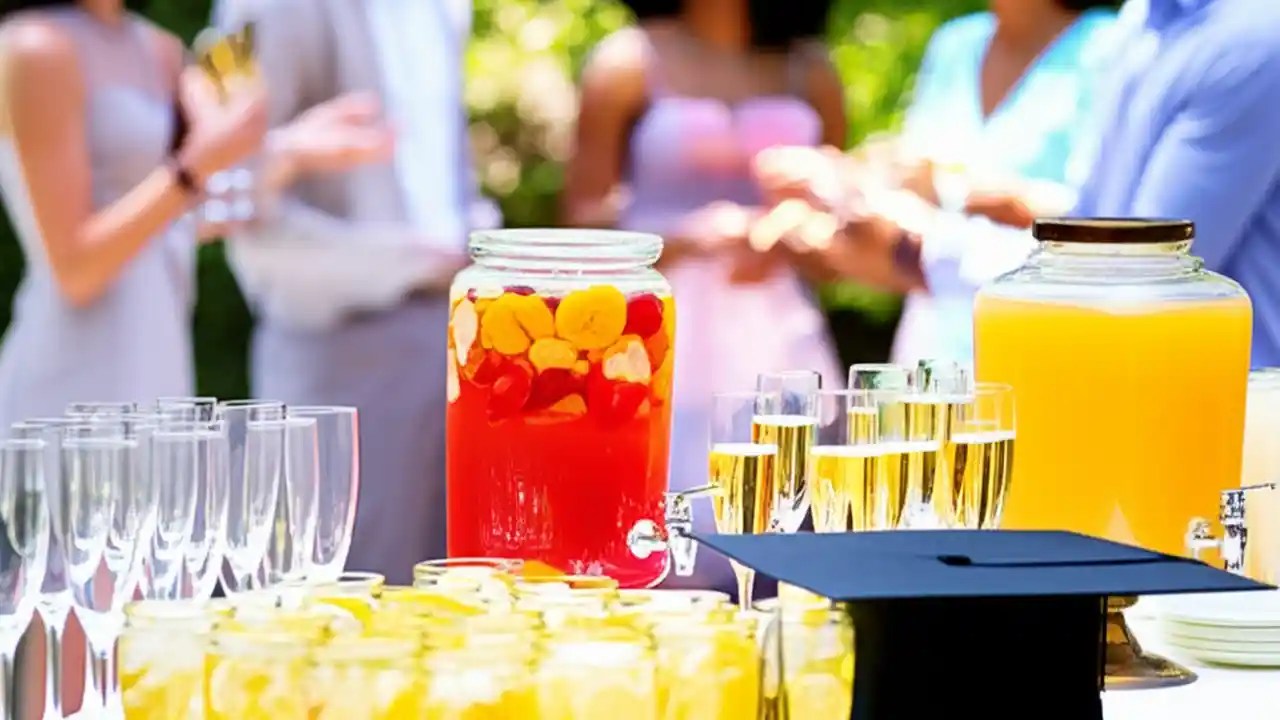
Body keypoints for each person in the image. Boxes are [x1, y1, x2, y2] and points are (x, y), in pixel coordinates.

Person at [0, 2, 391, 715]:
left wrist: (291, 150)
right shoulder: (34, 46)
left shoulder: (157, 49)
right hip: (73, 382)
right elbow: (76, 264)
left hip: (157, 374)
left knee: (149, 647)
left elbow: (189, 218)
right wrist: (200, 162)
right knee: (72, 646)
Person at [765, 0, 1280, 368]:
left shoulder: (1254, 35)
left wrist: (918, 245)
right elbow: (1090, 221)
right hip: (989, 365)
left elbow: (1147, 275)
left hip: (1222, 430)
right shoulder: (1143, 21)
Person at [563, 0, 844, 595]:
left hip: (780, 331)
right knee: (658, 541)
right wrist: (688, 237)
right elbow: (581, 217)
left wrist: (789, 235)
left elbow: (841, 210)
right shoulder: (629, 61)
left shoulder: (810, 68)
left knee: (792, 535)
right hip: (663, 329)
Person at [216, 0, 499, 584]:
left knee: (455, 617)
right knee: (336, 623)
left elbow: (444, 172)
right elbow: (229, 191)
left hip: (457, 340)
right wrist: (411, 260)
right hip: (337, 351)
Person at [887, 0, 1117, 366]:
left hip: (1044, 334)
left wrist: (989, 196)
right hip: (932, 337)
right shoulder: (955, 42)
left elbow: (1112, 216)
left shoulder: (1110, 45)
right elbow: (913, 172)